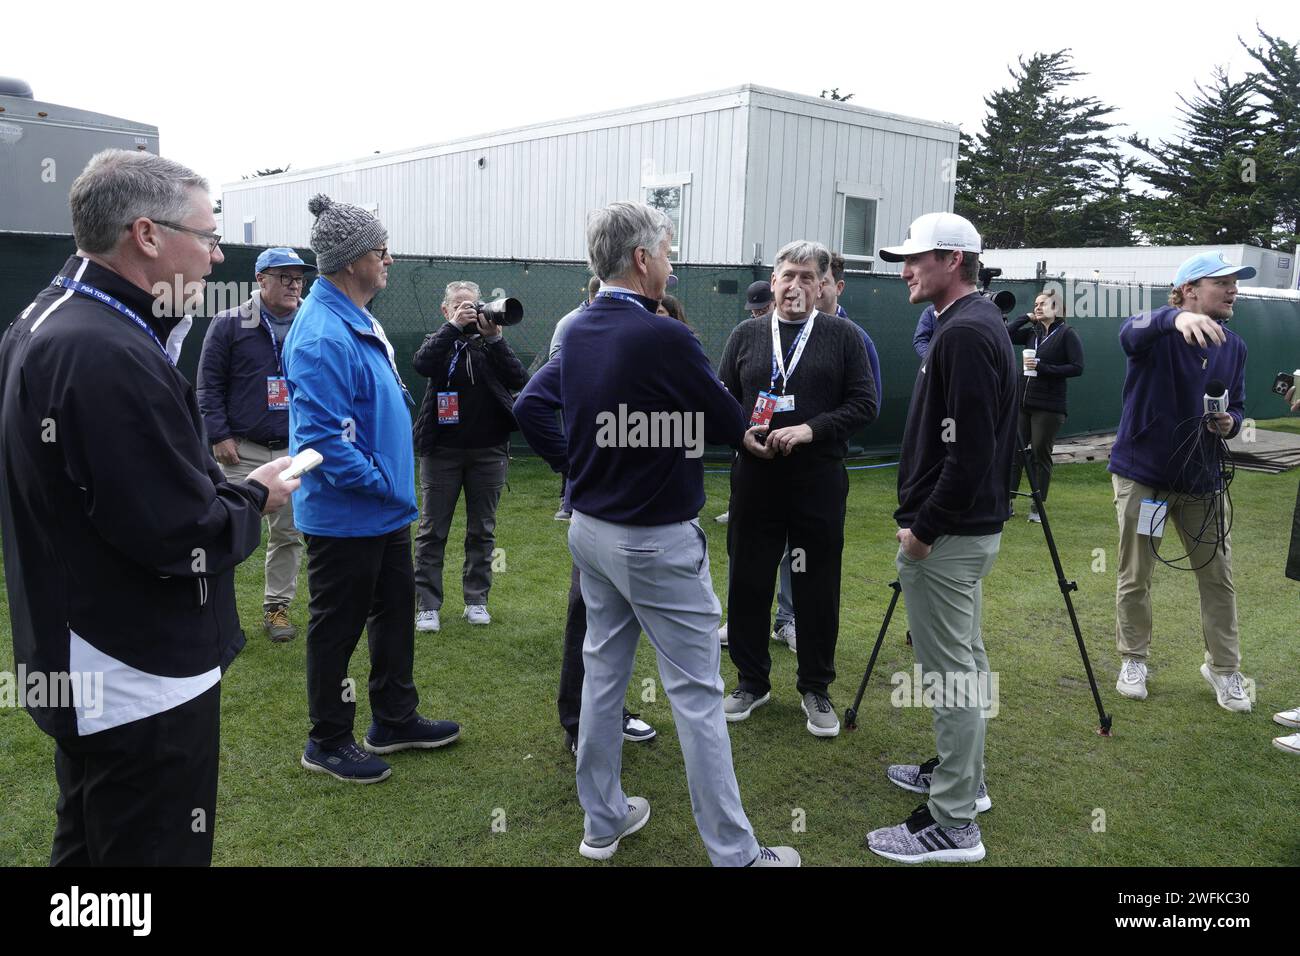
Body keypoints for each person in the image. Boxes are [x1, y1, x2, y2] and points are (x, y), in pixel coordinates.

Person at [0, 149, 299, 865]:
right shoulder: (103, 350)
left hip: (82, 649)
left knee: (91, 845)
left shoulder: (55, 319)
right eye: (206, 235)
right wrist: (256, 496)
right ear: (146, 235)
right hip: (136, 670)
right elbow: (177, 533)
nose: (216, 255)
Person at [513, 200, 798, 866]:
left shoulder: (579, 327)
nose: (671, 265)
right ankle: (736, 853)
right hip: (654, 542)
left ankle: (603, 822)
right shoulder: (664, 334)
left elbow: (530, 406)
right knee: (697, 695)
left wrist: (576, 467)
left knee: (602, 678)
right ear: (642, 259)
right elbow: (731, 422)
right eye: (667, 253)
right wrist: (750, 439)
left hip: (591, 533)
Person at [284, 194, 460, 784]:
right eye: (381, 250)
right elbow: (323, 443)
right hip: (347, 514)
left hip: (383, 510)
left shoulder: (355, 315)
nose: (390, 258)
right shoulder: (321, 335)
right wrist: (384, 482)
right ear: (353, 258)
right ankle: (327, 739)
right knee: (337, 626)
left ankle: (393, 718)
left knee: (394, 613)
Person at [865, 212, 1017, 864]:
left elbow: (972, 451)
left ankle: (954, 822)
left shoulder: (963, 334)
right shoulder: (972, 325)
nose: (905, 271)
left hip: (948, 537)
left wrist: (922, 533)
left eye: (916, 259)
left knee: (952, 675)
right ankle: (965, 782)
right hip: (966, 531)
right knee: (968, 664)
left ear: (953, 259)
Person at [719, 240, 877, 739]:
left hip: (817, 481)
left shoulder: (843, 336)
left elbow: (865, 404)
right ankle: (751, 681)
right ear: (775, 278)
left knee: (816, 584)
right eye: (789, 275)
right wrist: (742, 432)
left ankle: (815, 686)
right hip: (756, 479)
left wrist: (812, 429)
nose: (796, 286)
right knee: (748, 578)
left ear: (824, 283)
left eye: (809, 277)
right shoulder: (745, 334)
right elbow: (722, 399)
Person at [1109, 251, 1253, 713]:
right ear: (1189, 289)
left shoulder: (1235, 345)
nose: (1233, 290)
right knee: (1137, 574)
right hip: (1147, 481)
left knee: (1217, 577)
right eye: (1222, 282)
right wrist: (1173, 319)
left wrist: (1231, 421)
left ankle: (1225, 669)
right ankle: (1134, 659)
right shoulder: (1157, 333)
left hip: (1202, 483)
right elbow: (1129, 330)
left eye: (1235, 283)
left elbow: (1241, 404)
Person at [198, 246, 313, 641]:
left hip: (291, 450)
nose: (294, 284)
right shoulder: (229, 323)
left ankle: (276, 610)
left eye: (298, 278)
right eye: (284, 277)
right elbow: (208, 383)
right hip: (241, 448)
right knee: (226, 532)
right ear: (260, 280)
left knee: (288, 534)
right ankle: (216, 614)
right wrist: (219, 434)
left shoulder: (308, 324)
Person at [410, 280, 528, 631]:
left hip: (489, 451)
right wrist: (453, 329)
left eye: (473, 306)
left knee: (482, 531)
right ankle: (427, 606)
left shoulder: (490, 344)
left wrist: (495, 339)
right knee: (432, 530)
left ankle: (476, 600)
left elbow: (519, 378)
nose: (469, 312)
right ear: (445, 310)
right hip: (442, 451)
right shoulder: (439, 341)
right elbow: (422, 364)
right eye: (460, 306)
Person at [1006, 288, 1084, 522]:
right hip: (1022, 402)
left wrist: (1043, 367)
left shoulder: (1067, 334)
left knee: (1040, 453)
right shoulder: (1033, 332)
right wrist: (1024, 318)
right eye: (1036, 304)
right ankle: (1006, 501)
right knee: (1014, 451)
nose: (1038, 307)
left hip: (1049, 407)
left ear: (1056, 309)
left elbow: (1077, 367)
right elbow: (1005, 334)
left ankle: (1036, 506)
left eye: (1043, 304)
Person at [549, 275, 603, 521]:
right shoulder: (571, 322)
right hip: (576, 399)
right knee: (575, 447)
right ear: (595, 297)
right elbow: (556, 361)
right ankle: (568, 502)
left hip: (602, 399)